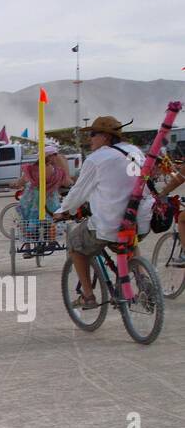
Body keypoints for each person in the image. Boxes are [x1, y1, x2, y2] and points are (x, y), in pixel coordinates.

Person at [53, 115, 155, 309]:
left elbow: (78, 192)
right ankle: (143, 280)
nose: (89, 139)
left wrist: (62, 211)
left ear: (106, 137)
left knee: (75, 244)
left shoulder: (97, 159)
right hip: (140, 221)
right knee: (128, 242)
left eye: (93, 134)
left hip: (111, 223)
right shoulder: (135, 151)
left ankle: (88, 296)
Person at [19, 142, 71, 232]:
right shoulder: (52, 167)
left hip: (38, 198)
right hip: (47, 198)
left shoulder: (46, 167)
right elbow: (65, 181)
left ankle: (33, 233)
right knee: (50, 220)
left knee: (36, 219)